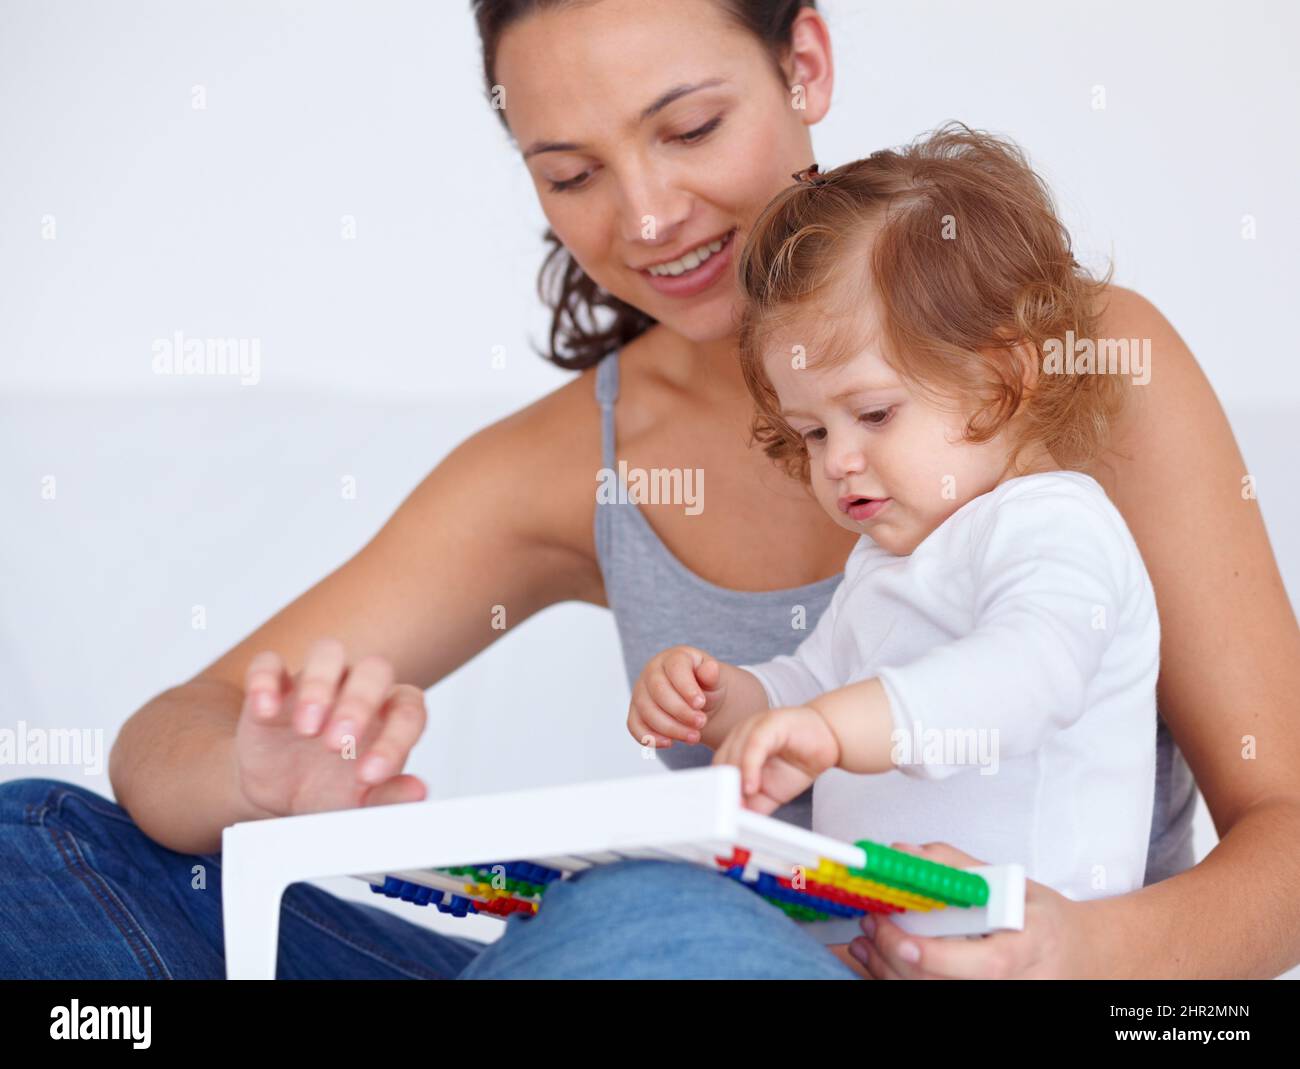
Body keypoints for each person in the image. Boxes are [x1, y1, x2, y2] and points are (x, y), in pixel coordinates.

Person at [1, 0, 1296, 979]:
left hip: (921, 961)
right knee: (35, 846)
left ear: (806, 63)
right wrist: (262, 776)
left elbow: (1288, 835)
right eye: (570, 175)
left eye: (689, 129)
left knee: (643, 915)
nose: (649, 216)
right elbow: (167, 740)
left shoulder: (1062, 359)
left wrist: (1074, 952)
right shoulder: (575, 459)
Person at [633, 128, 1161, 906]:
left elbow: (1025, 675)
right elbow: (811, 688)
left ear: (1002, 378)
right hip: (896, 937)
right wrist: (725, 699)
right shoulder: (887, 562)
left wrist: (836, 731)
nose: (837, 459)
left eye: (874, 414)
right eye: (813, 432)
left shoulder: (1056, 524)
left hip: (1026, 949)